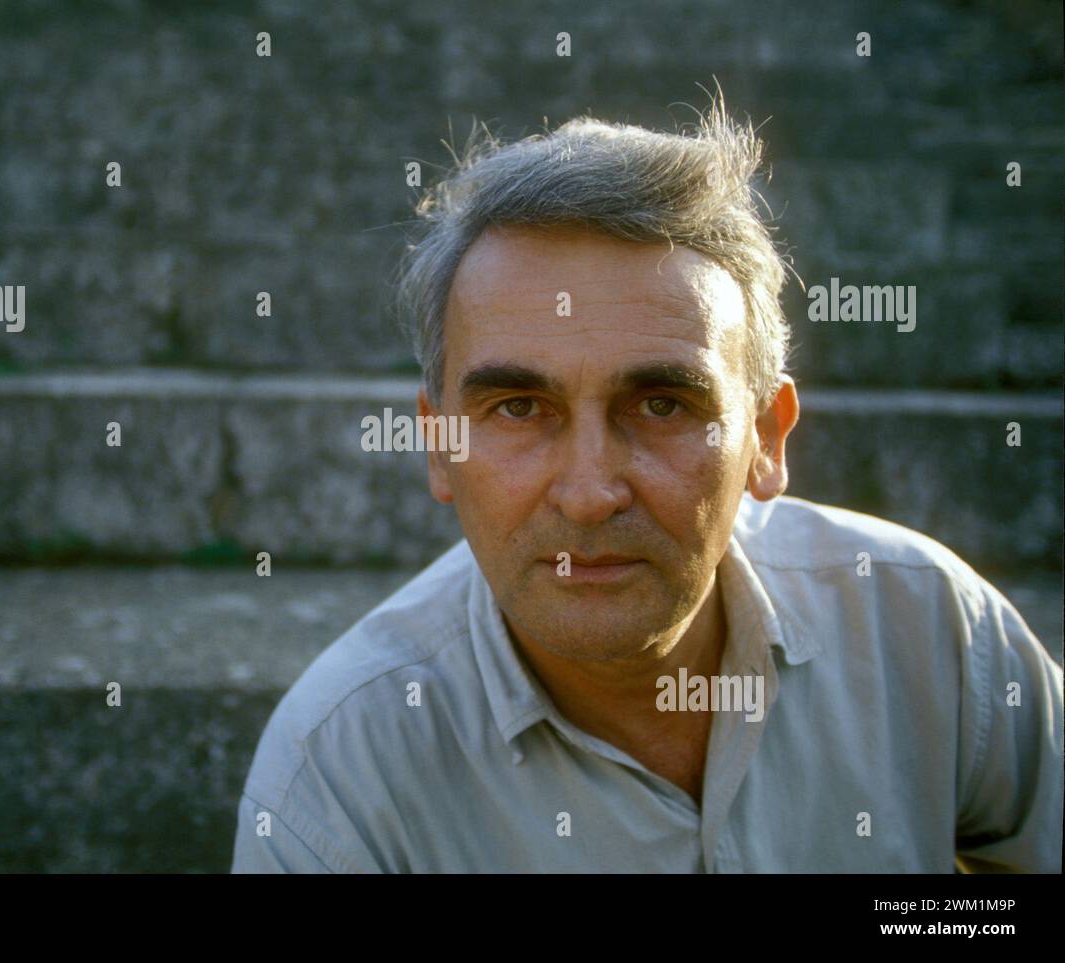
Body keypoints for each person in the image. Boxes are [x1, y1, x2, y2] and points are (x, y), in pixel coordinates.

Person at [230, 101, 1063, 873]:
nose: (590, 494)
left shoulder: (931, 632)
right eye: (520, 407)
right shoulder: (335, 787)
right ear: (439, 445)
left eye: (663, 403)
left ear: (767, 438)